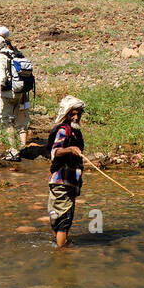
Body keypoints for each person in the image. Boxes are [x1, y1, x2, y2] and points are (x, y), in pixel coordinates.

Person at [45, 95, 85, 249]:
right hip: (63, 182)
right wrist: (70, 149)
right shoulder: (64, 130)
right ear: (66, 114)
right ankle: (61, 255)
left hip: (62, 182)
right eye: (73, 114)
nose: (76, 117)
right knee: (64, 220)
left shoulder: (74, 132)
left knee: (57, 216)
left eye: (78, 114)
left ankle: (58, 245)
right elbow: (55, 151)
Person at [0, 26, 30, 161]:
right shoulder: (14, 53)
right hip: (19, 92)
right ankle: (19, 147)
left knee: (7, 121)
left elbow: (1, 78)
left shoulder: (0, 56)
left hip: (7, 93)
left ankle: (13, 151)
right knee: (18, 120)